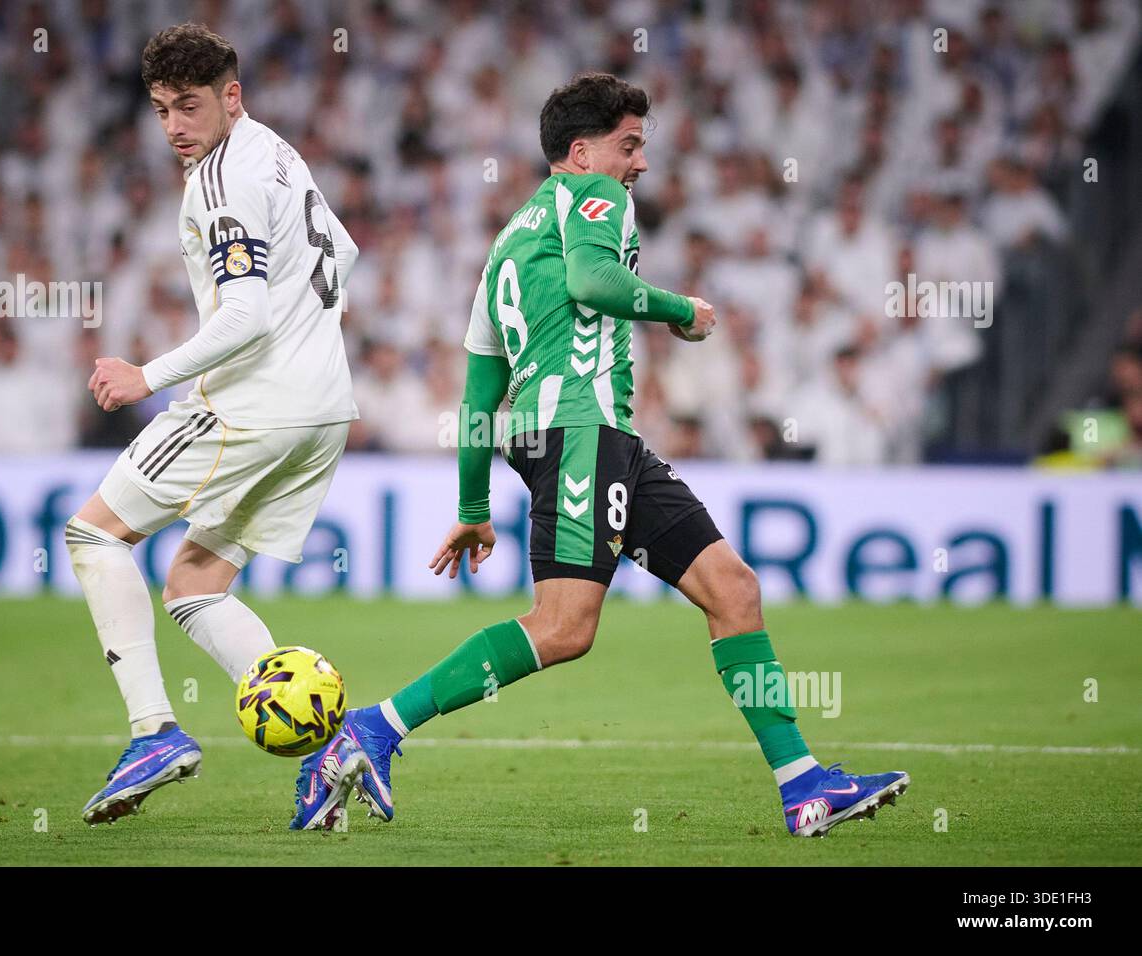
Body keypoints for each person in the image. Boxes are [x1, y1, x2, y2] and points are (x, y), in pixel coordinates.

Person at [291, 72, 909, 837]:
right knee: (563, 628)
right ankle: (373, 730)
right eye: (629, 145)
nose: (639, 163)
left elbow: (479, 399)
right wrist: (684, 311)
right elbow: (592, 277)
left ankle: (804, 787)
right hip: (582, 431)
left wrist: (473, 508)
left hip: (588, 438)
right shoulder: (597, 201)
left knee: (733, 589)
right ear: (580, 153)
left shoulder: (506, 246)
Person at [68, 23, 361, 827]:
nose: (174, 126)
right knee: (196, 586)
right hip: (324, 410)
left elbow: (246, 314)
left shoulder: (220, 180)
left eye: (189, 106)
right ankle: (326, 754)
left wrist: (146, 377)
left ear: (232, 96)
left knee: (94, 537)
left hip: (250, 406)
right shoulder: (278, 152)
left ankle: (154, 732)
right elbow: (347, 251)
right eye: (162, 109)